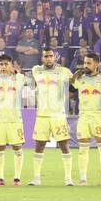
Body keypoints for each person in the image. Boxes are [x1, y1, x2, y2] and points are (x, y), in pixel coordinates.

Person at [29, 46, 74, 186]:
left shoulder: (64, 72)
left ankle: (68, 178)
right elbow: (33, 86)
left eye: (50, 56)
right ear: (42, 58)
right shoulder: (36, 70)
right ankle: (36, 178)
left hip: (58, 115)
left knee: (64, 145)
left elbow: (74, 86)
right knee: (39, 145)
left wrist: (64, 97)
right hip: (42, 115)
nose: (48, 59)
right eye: (45, 56)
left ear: (55, 57)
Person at [72, 52, 101, 185]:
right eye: (85, 63)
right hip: (83, 117)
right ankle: (83, 178)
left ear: (97, 64)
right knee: (83, 149)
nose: (86, 65)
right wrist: (75, 75)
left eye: (89, 63)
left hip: (98, 117)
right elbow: (72, 84)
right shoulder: (80, 78)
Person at [0, 54, 26, 185]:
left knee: (17, 147)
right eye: (1, 64)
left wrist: (15, 71)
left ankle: (17, 178)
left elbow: (24, 76)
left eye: (6, 64)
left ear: (11, 65)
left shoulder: (19, 79)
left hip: (15, 119)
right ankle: (0, 178)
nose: (3, 67)